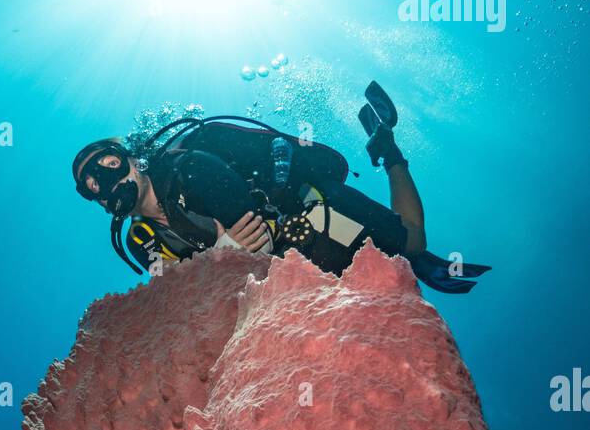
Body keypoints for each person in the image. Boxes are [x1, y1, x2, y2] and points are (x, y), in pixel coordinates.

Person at [71, 86, 490, 294]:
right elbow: (180, 290)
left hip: (307, 217)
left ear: (133, 159)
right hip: (272, 278)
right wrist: (221, 255)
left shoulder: (189, 168)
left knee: (413, 244)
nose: (103, 182)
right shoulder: (140, 238)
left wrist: (231, 247)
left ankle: (387, 148)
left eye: (108, 164)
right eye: (91, 186)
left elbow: (253, 231)